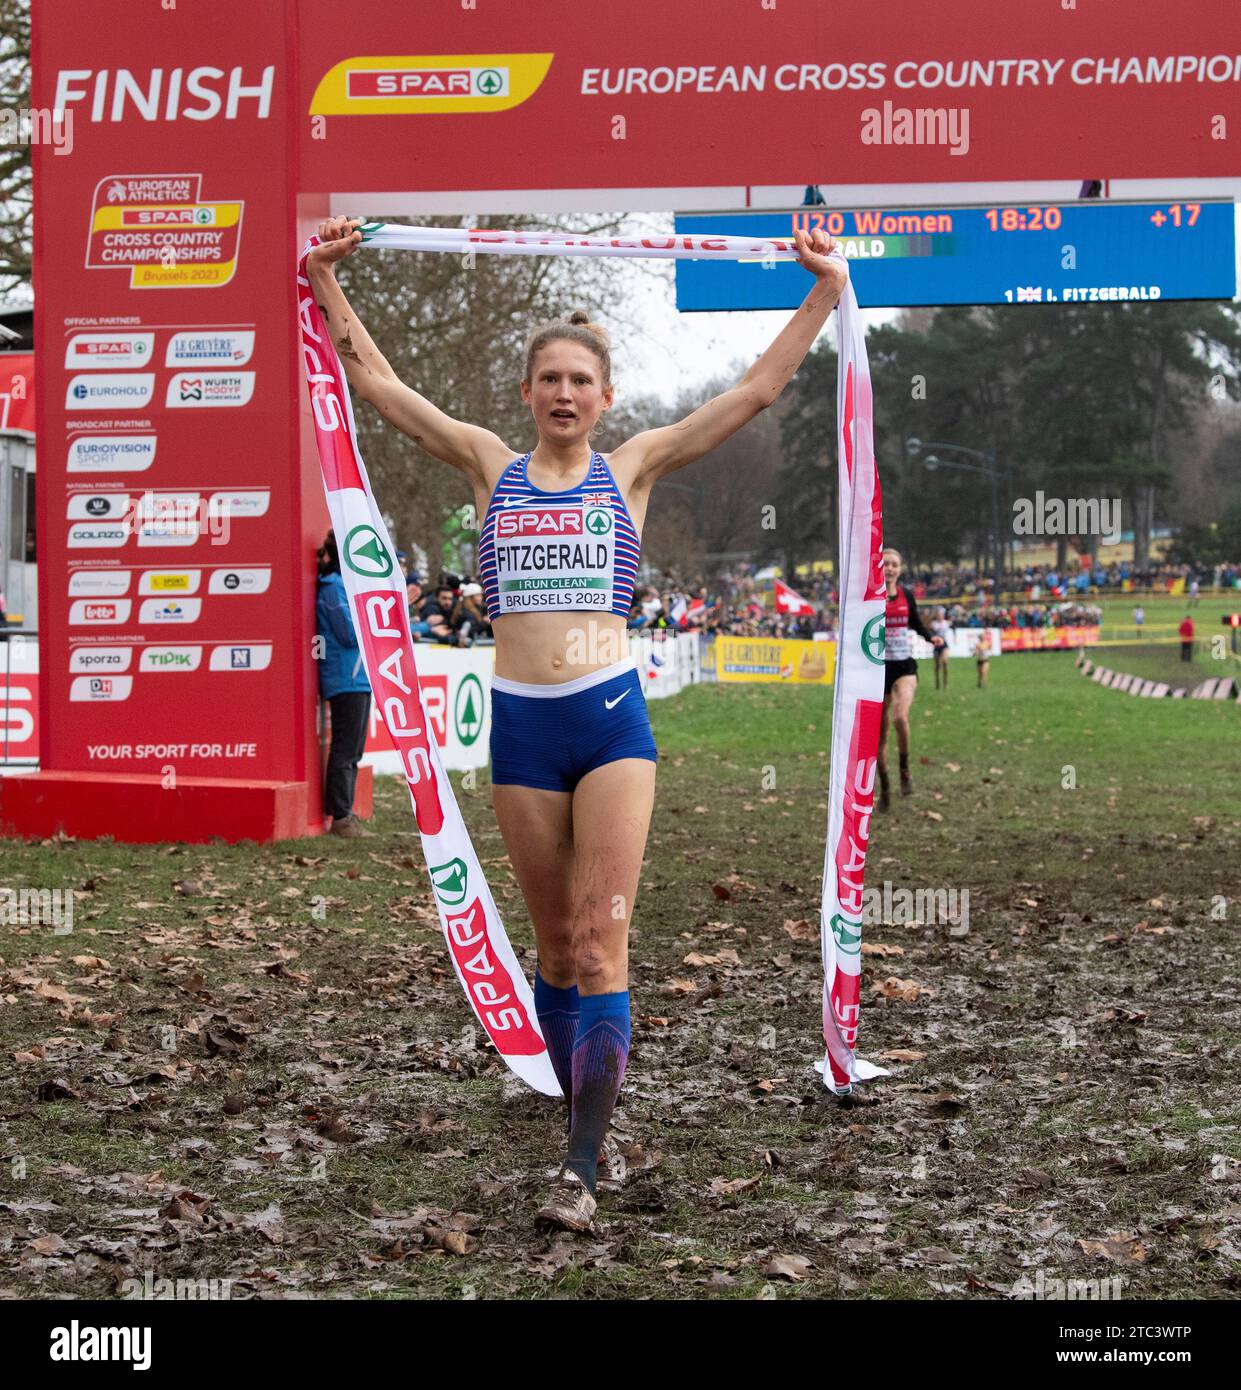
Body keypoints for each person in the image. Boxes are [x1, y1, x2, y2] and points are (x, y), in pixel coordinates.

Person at [307, 213, 849, 1230]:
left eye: (580, 381)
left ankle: (581, 1166)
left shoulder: (632, 468)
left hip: (608, 727)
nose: (563, 394)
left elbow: (754, 392)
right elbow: (379, 389)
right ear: (526, 394)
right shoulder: (486, 465)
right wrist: (326, 279)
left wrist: (823, 290)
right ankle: (580, 1099)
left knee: (600, 944)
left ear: (605, 398)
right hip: (519, 731)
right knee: (555, 948)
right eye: (547, 379)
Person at [315, 531, 377, 839]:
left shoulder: (346, 587)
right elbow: (349, 635)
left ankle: (346, 813)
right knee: (346, 747)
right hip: (344, 677)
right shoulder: (332, 588)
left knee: (354, 749)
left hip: (359, 677)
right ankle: (340, 817)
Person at [878, 548, 944, 813]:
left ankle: (904, 769)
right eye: (886, 565)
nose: (890, 569)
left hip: (904, 666)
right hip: (877, 671)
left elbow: (915, 622)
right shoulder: (871, 597)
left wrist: (931, 638)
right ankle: (884, 787)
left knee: (899, 717)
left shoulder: (905, 594)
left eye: (894, 564)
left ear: (900, 569)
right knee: (879, 737)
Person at [930, 607, 952, 690]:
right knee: (937, 666)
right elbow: (930, 632)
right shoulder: (933, 623)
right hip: (937, 645)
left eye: (942, 615)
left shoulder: (946, 623)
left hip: (944, 644)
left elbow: (953, 625)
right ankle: (937, 682)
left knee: (945, 662)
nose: (940, 616)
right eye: (939, 615)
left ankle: (945, 683)